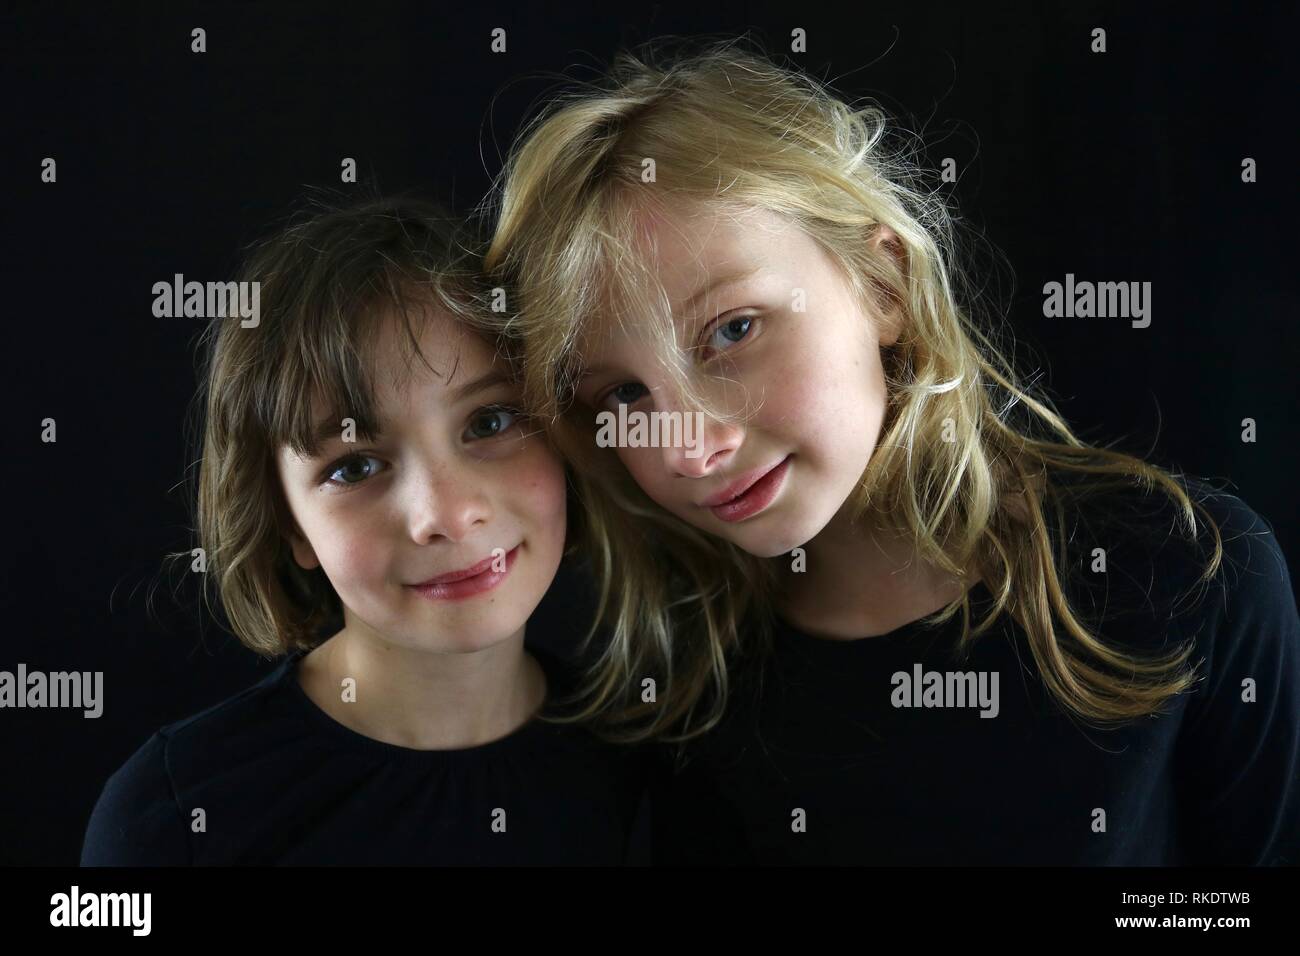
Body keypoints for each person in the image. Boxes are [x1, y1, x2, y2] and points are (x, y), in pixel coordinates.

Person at [480, 38, 1300, 864]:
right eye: (625, 394)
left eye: (732, 331)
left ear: (884, 286)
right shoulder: (674, 688)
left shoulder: (1186, 569)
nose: (690, 450)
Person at [81, 196, 646, 865]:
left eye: (489, 423)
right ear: (287, 522)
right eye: (357, 467)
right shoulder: (173, 817)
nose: (445, 513)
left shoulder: (662, 770)